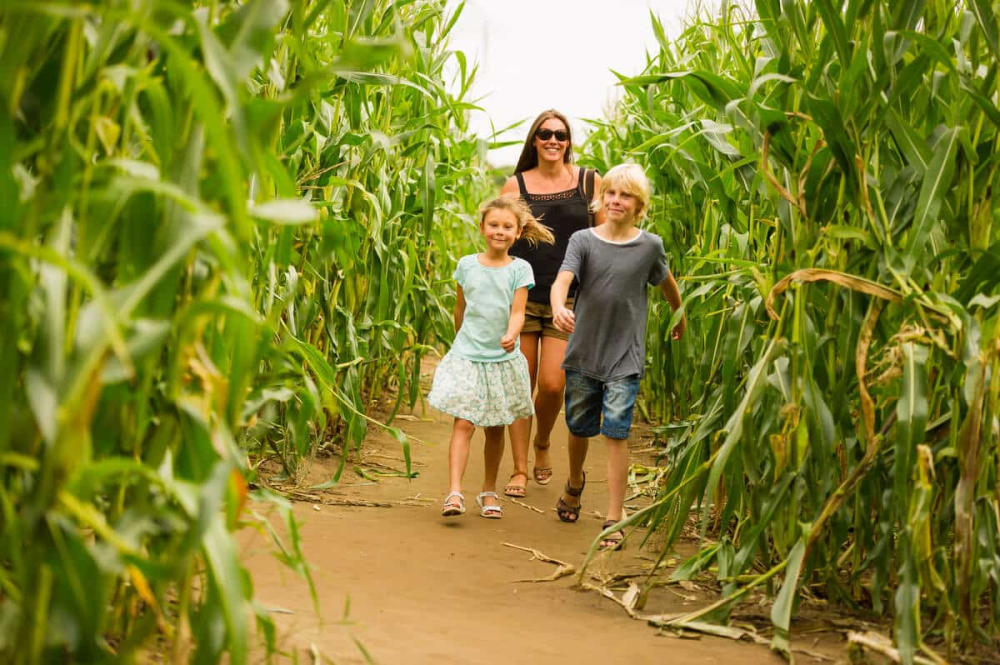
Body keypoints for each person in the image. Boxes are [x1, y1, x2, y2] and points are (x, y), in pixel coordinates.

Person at [550, 164, 686, 549]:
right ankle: (574, 483)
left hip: (625, 356)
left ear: (639, 206)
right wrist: (558, 307)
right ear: (601, 198)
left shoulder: (649, 246)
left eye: (626, 196)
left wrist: (679, 315)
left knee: (616, 432)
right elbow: (563, 281)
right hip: (584, 352)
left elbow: (667, 282)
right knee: (579, 427)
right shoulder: (583, 240)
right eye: (610, 193)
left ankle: (614, 517)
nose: (616, 201)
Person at [498, 109, 604, 498]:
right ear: (535, 140)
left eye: (560, 134)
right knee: (520, 384)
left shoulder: (589, 181)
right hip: (523, 297)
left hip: (569, 301)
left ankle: (542, 440)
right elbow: (500, 237)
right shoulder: (516, 185)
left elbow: (603, 238)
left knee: (552, 384)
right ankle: (520, 469)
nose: (553, 140)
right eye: (545, 134)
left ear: (568, 141)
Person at [429, 196, 555, 519]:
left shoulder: (520, 269)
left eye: (507, 226)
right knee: (464, 422)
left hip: (501, 358)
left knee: (496, 427)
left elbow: (518, 311)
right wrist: (460, 343)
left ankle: (488, 490)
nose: (500, 231)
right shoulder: (466, 265)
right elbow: (461, 309)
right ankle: (454, 492)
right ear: (482, 228)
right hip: (469, 356)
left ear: (518, 232)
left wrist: (512, 334)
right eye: (494, 225)